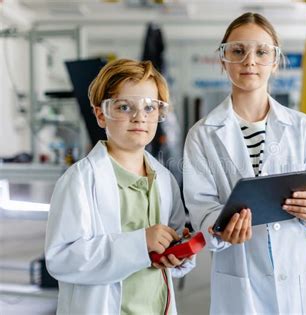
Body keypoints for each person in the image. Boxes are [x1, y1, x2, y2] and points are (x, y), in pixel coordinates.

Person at [183, 12, 306, 314]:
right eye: (238, 51)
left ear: (275, 61)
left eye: (261, 51)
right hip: (240, 272)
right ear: (223, 59)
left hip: (297, 271)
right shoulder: (202, 134)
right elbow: (201, 206)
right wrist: (220, 227)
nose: (249, 61)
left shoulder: (304, 128)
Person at [45, 59, 194, 314]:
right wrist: (141, 242)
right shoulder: (79, 180)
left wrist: (180, 255)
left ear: (160, 114)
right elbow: (61, 259)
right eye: (125, 107)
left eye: (150, 107)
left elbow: (174, 238)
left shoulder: (164, 180)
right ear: (101, 114)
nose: (139, 117)